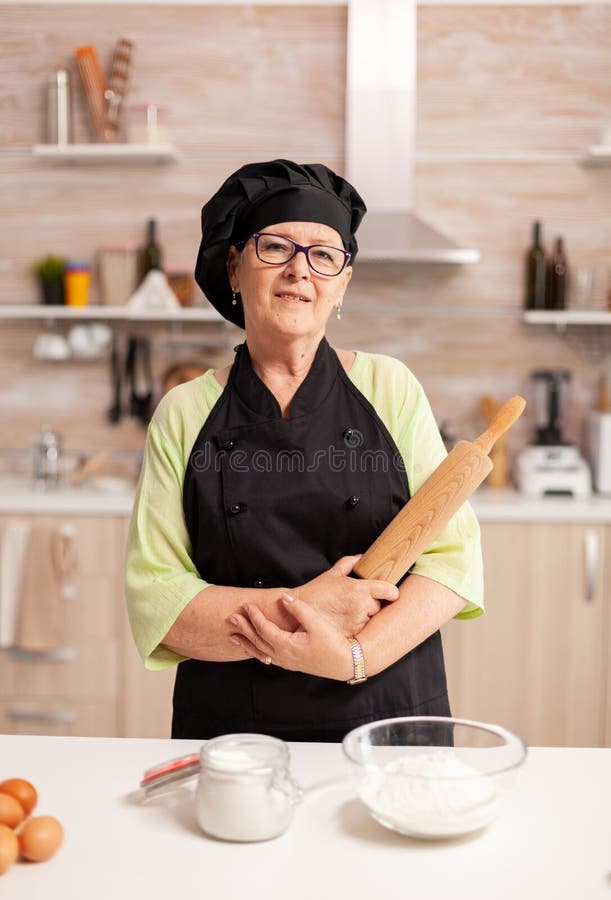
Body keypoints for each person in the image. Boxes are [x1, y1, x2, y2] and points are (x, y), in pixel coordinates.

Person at [125, 159, 484, 742]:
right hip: (238, 730)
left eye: (324, 254)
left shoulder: (390, 388)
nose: (300, 270)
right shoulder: (185, 413)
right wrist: (305, 606)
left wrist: (351, 657)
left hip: (385, 714)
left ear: (342, 283)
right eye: (276, 247)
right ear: (235, 270)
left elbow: (451, 563)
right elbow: (160, 605)